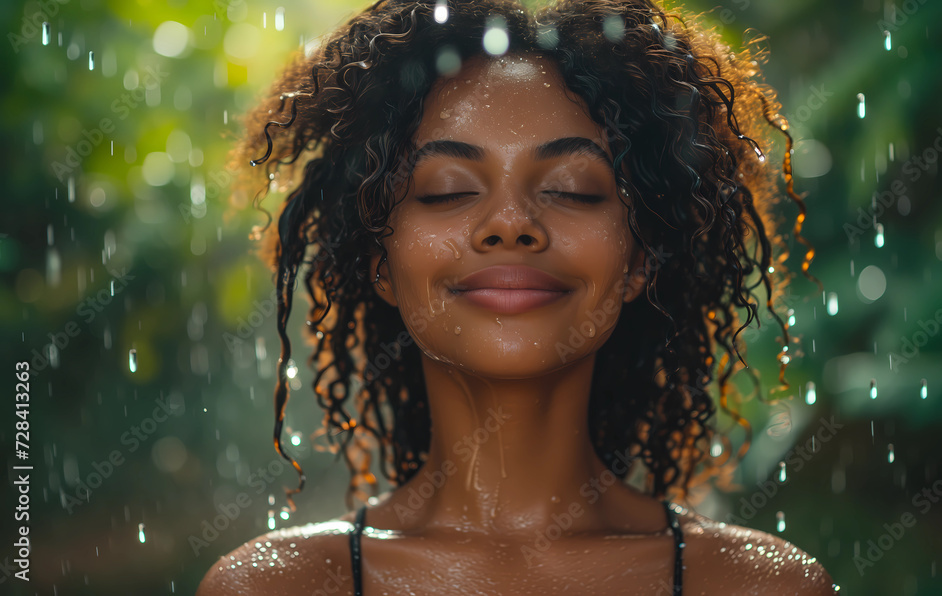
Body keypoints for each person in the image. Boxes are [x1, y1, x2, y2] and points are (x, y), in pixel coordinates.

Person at [198, 0, 838, 593]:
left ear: (640, 257)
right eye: (447, 189)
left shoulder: (756, 587)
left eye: (573, 188)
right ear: (380, 262)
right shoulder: (277, 587)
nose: (511, 221)